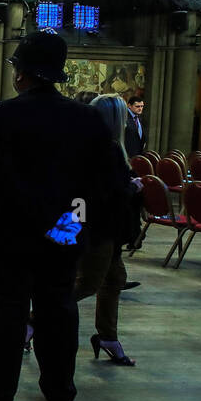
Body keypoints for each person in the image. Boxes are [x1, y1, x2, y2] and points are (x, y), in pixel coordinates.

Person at [0, 30, 120, 401]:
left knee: (9, 310)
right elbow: (99, 184)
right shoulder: (88, 118)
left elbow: (6, 179)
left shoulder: (1, 114)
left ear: (22, 74)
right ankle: (60, 391)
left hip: (14, 231)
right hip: (64, 230)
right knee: (58, 308)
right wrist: (69, 225)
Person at [74, 94, 143, 367]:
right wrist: (132, 187)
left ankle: (108, 338)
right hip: (99, 225)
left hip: (96, 223)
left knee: (114, 280)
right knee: (89, 283)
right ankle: (34, 322)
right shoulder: (107, 148)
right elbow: (104, 193)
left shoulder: (90, 143)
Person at [123, 95, 147, 159]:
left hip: (137, 156)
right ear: (129, 106)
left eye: (142, 106)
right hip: (127, 156)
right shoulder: (124, 117)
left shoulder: (138, 117)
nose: (140, 108)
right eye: (137, 106)